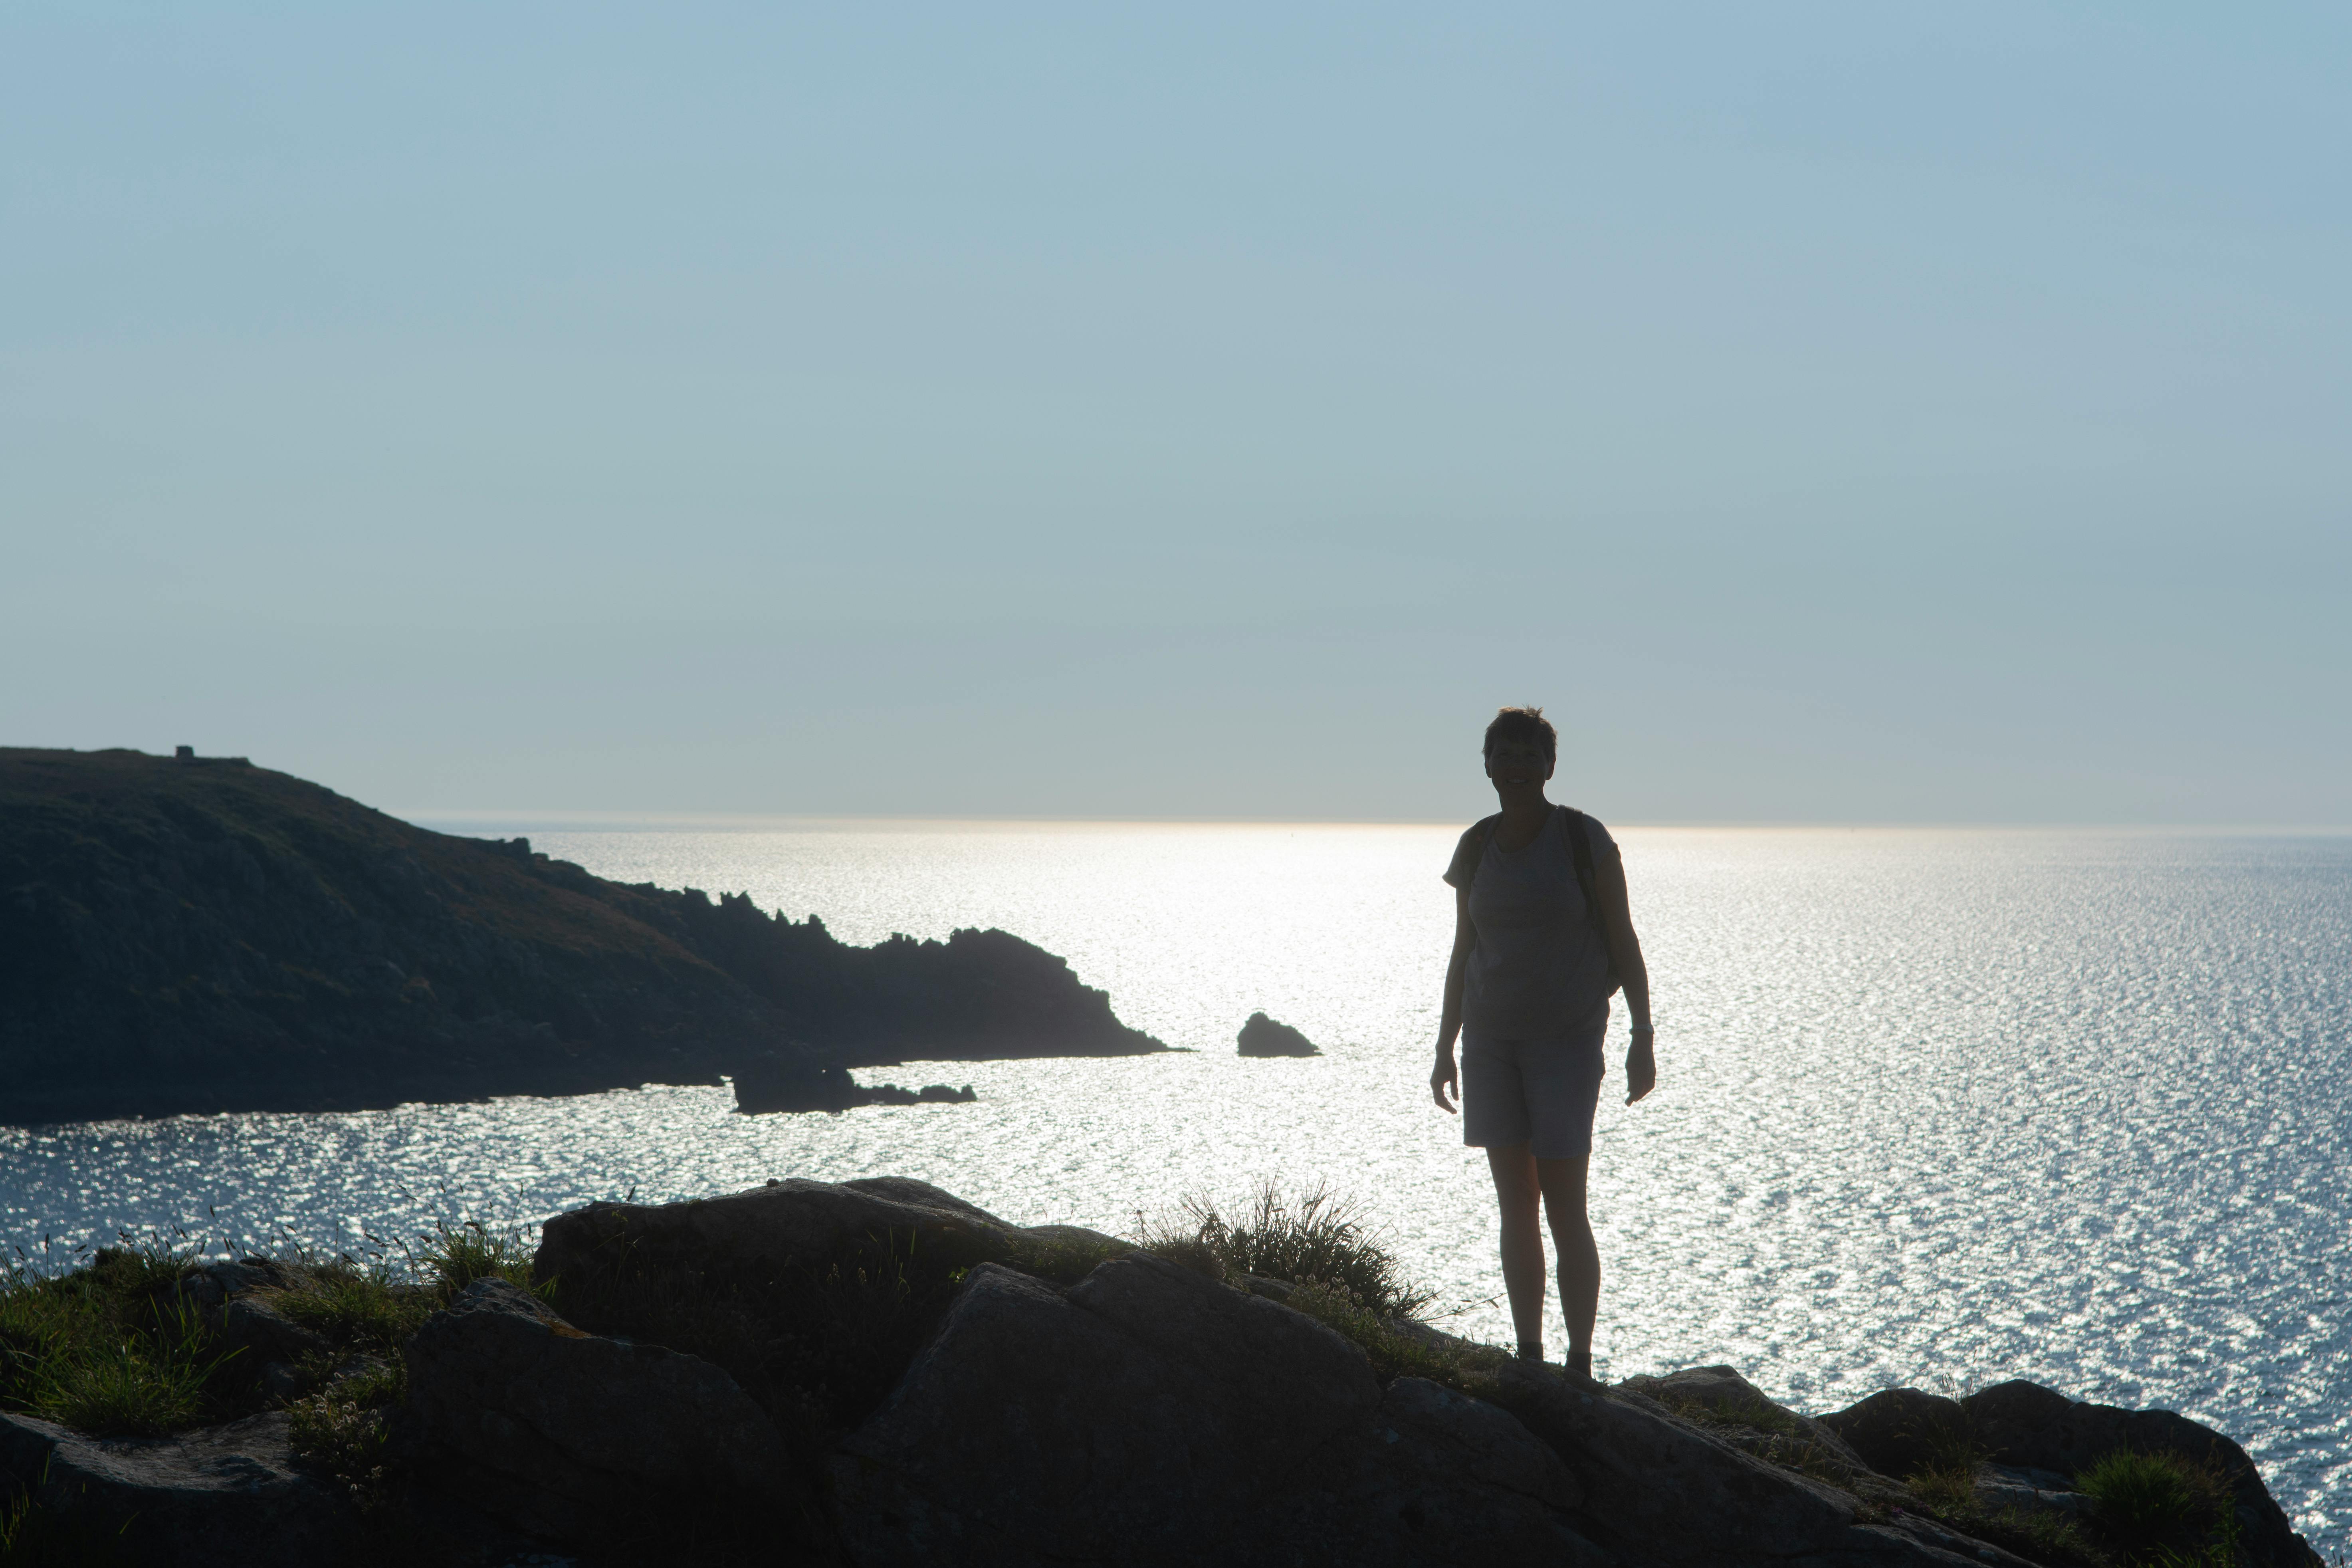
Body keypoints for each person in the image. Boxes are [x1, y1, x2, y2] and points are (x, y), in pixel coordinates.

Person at [1430, 706, 1655, 1380]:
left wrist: (1643, 1037)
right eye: (1507, 754)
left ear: (1550, 766)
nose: (1519, 766)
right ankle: (1530, 1357)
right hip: (1491, 1041)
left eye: (1531, 755)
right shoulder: (1476, 847)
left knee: (1565, 1208)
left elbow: (1623, 937)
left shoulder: (1583, 840)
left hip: (1565, 1041)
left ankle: (1579, 1364)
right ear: (1488, 763)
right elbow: (1463, 948)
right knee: (1514, 1207)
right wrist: (1445, 1045)